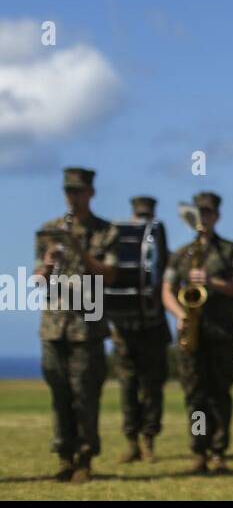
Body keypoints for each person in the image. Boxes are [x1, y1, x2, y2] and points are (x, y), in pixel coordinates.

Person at [35, 167, 120, 483]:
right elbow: (38, 281)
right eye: (68, 191)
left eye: (78, 191)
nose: (73, 197)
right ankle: (64, 457)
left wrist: (79, 249)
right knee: (60, 395)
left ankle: (85, 458)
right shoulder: (48, 231)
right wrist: (47, 264)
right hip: (54, 327)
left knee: (85, 395)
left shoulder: (106, 231)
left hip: (88, 326)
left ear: (91, 193)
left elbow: (109, 275)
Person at [163, 191, 233, 474]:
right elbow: (166, 290)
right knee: (195, 395)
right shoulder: (181, 254)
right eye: (200, 213)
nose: (204, 218)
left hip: (222, 332)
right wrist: (180, 315)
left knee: (220, 394)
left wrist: (212, 282)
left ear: (217, 215)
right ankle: (198, 449)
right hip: (193, 332)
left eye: (209, 213)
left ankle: (218, 451)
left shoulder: (231, 250)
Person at [110, 195, 171, 464]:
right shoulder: (120, 241)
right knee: (127, 386)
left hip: (153, 327)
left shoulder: (160, 241)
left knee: (152, 387)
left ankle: (148, 440)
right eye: (141, 215)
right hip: (124, 328)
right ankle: (131, 440)